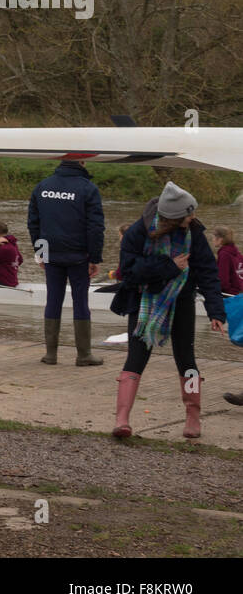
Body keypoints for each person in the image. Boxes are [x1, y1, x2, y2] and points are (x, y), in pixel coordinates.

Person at [112, 182, 225, 439]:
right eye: (189, 213)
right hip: (144, 301)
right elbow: (129, 273)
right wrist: (169, 267)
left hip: (182, 300)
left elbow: (208, 271)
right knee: (136, 357)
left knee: (187, 359)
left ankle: (193, 417)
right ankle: (122, 420)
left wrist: (216, 312)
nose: (193, 217)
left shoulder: (194, 232)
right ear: (173, 218)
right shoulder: (137, 232)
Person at [28, 159, 105, 366]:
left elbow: (34, 223)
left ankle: (50, 355)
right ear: (80, 162)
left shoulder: (42, 186)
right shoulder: (88, 188)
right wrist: (95, 257)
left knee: (53, 299)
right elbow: (95, 227)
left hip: (51, 255)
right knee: (81, 302)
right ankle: (84, 355)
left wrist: (41, 252)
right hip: (79, 256)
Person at [212, 227, 243, 296]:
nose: (212, 240)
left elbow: (223, 282)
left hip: (233, 294)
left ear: (220, 239)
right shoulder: (238, 254)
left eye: (213, 237)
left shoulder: (224, 255)